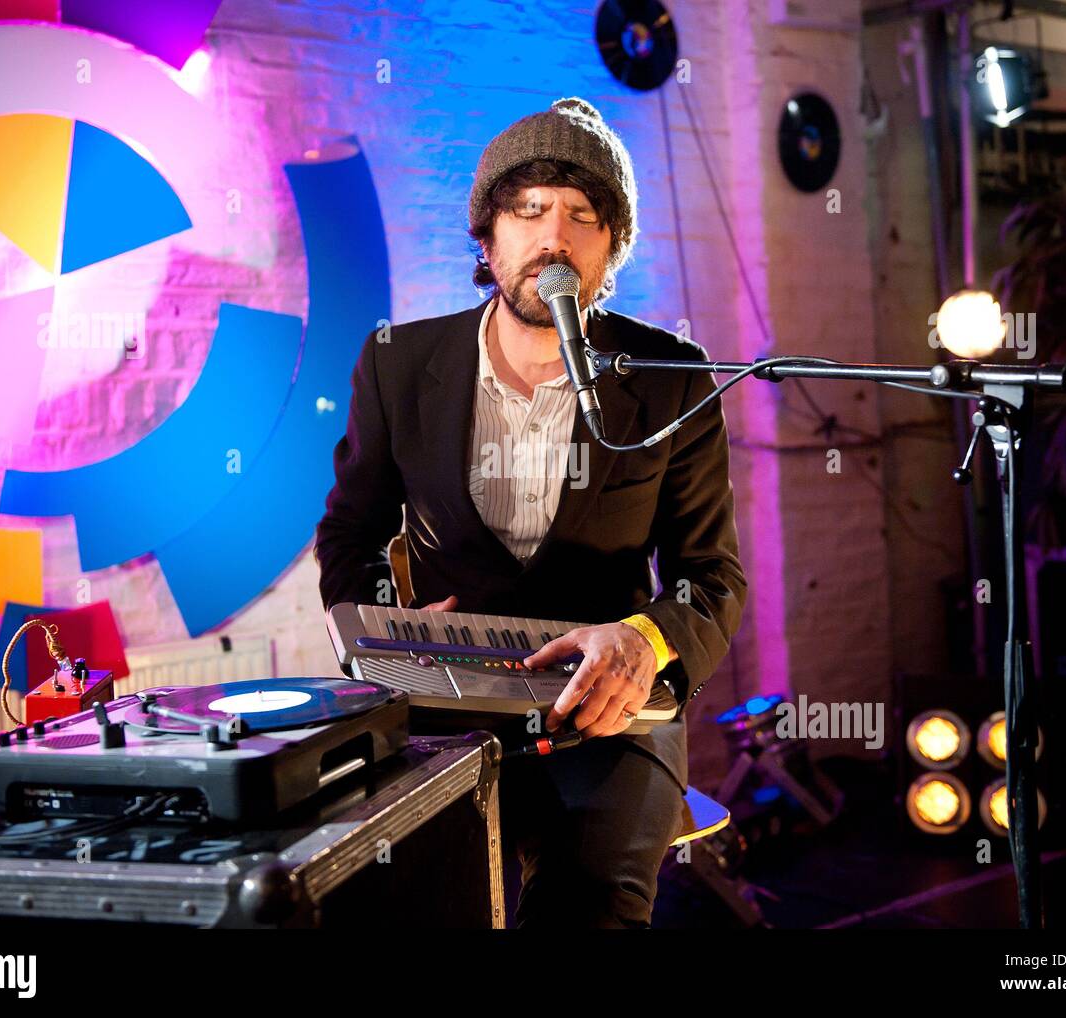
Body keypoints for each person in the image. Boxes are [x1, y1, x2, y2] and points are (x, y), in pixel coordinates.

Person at [315, 97, 747, 927]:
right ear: (488, 237)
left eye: (583, 216)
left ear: (609, 248)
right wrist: (383, 620)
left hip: (611, 709)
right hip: (446, 699)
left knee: (591, 905)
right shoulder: (397, 364)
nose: (554, 237)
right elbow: (350, 531)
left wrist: (645, 638)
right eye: (529, 209)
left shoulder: (672, 373)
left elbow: (711, 574)